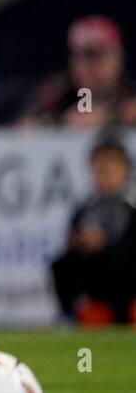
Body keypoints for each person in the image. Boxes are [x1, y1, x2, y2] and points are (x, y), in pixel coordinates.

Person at [50, 137, 136, 324]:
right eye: (98, 170)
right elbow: (73, 234)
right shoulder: (88, 204)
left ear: (124, 170)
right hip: (98, 265)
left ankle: (123, 318)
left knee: (119, 262)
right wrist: (80, 241)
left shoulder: (131, 202)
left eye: (108, 170)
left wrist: (105, 243)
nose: (102, 176)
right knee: (62, 264)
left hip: (125, 267)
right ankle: (68, 317)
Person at [19, 16, 136, 129]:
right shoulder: (57, 93)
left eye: (92, 55)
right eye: (75, 55)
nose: (83, 65)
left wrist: (110, 118)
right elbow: (25, 125)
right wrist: (57, 123)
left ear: (116, 57)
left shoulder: (129, 92)